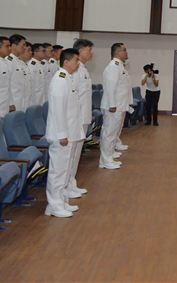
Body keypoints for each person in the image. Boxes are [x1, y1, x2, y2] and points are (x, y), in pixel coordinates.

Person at [44, 48, 84, 218]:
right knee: (58, 172)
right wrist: (62, 135)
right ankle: (53, 205)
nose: (78, 62)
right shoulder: (60, 80)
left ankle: (61, 202)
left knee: (65, 171)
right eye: (76, 59)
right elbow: (58, 110)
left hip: (70, 132)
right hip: (62, 135)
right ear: (66, 62)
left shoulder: (67, 78)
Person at [98, 43, 132, 170]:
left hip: (119, 105)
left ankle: (110, 154)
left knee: (113, 132)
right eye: (125, 50)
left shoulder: (119, 66)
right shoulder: (113, 66)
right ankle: (105, 160)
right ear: (118, 52)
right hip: (114, 106)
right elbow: (110, 87)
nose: (126, 53)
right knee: (109, 133)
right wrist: (112, 105)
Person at [67, 38, 94, 197]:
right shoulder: (76, 71)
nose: (91, 53)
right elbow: (73, 96)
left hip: (83, 117)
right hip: (76, 118)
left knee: (76, 154)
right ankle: (67, 186)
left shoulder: (82, 69)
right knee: (71, 154)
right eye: (89, 50)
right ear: (80, 51)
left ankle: (71, 183)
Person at [0, 36, 12, 118]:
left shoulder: (4, 62)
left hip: (5, 106)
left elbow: (7, 86)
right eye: (7, 46)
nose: (10, 48)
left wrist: (10, 103)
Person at [8, 34, 28, 114]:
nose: (25, 47)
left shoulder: (19, 61)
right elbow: (7, 84)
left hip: (22, 101)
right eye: (23, 45)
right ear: (13, 46)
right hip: (14, 102)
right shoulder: (8, 61)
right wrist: (10, 103)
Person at [28, 43, 47, 109]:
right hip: (35, 99)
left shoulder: (39, 64)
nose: (45, 53)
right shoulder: (32, 65)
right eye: (43, 51)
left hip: (41, 98)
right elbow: (31, 84)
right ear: (35, 53)